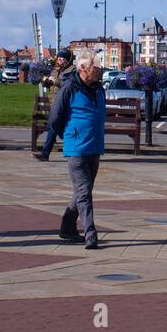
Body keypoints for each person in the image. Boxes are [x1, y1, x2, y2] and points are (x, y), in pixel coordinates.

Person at [46, 53, 106, 249]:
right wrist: (68, 135)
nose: (98, 72)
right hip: (76, 148)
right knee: (84, 192)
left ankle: (67, 227)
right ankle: (90, 232)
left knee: (83, 190)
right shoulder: (69, 88)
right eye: (94, 69)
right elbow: (55, 117)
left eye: (98, 69)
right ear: (82, 69)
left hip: (94, 147)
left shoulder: (99, 89)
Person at [35, 48, 75, 161]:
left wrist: (55, 81)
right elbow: (51, 86)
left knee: (53, 126)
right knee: (55, 127)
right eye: (59, 57)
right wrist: (46, 81)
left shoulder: (72, 70)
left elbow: (69, 85)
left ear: (68, 60)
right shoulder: (55, 70)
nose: (60, 59)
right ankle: (47, 153)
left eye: (63, 58)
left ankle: (45, 153)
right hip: (54, 103)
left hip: (64, 104)